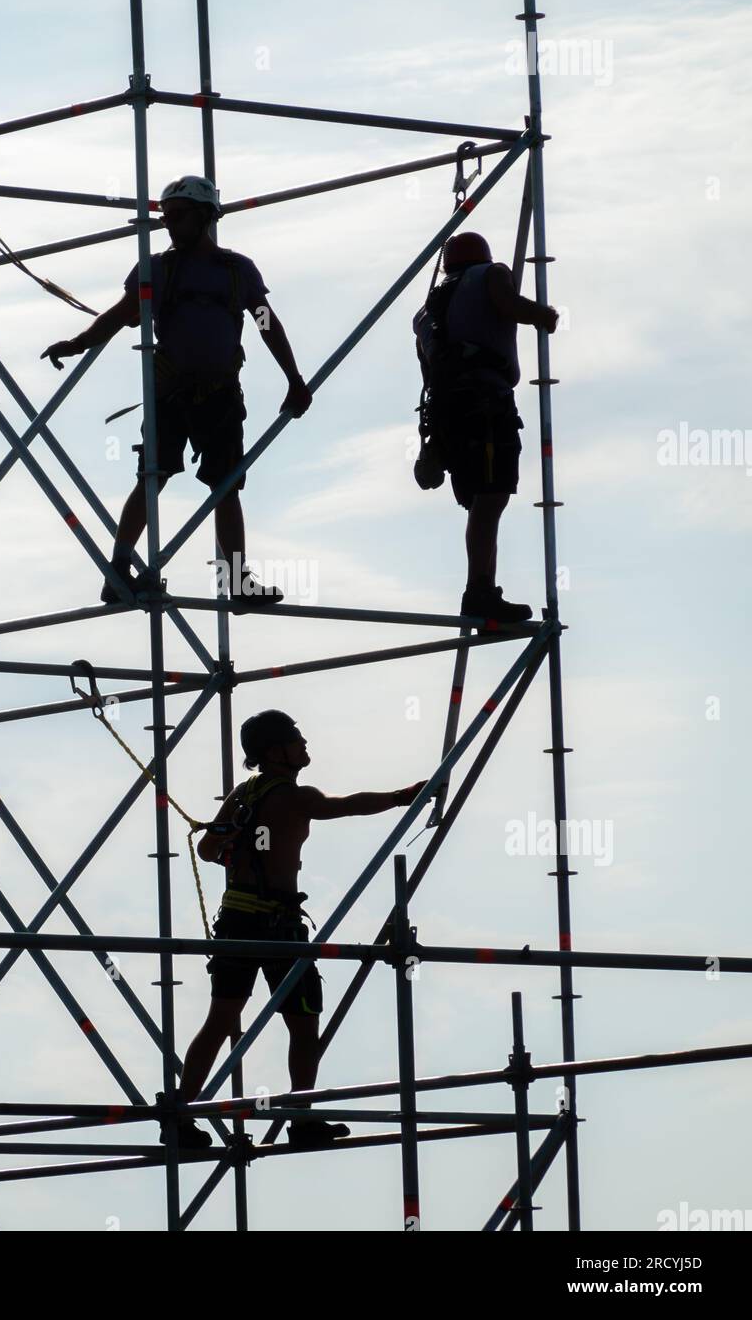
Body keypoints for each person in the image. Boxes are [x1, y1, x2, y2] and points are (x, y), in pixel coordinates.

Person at [41, 175, 312, 604]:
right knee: (152, 477)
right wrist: (78, 343)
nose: (170, 225)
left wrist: (294, 378)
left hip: (220, 393)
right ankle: (118, 571)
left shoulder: (235, 271)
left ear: (204, 217)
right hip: (169, 393)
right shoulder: (158, 269)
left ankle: (236, 579)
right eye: (166, 218)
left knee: (226, 484)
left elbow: (265, 322)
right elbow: (122, 314)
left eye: (178, 217)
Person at [169, 709, 424, 1151]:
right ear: (275, 751)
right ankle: (302, 1118)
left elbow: (209, 849)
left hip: (236, 922)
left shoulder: (243, 796)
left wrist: (236, 841)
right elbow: (345, 806)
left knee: (221, 1020)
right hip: (276, 925)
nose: (305, 746)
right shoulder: (293, 796)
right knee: (303, 1024)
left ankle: (180, 1115)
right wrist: (405, 796)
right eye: (296, 741)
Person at [413, 231, 558, 624]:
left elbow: (429, 375)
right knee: (491, 498)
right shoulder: (490, 274)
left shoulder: (427, 313)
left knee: (483, 501)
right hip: (484, 405)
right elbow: (507, 304)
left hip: (448, 415)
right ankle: (479, 592)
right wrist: (543, 315)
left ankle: (482, 590)